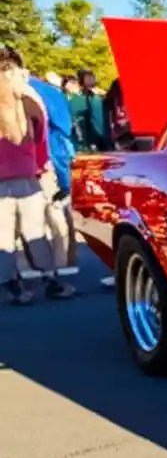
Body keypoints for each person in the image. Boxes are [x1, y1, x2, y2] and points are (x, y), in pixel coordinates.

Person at [1, 47, 75, 305]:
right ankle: (51, 281)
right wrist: (40, 163)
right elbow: (42, 136)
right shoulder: (27, 98)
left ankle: (13, 287)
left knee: (4, 238)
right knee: (35, 232)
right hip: (27, 175)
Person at [67, 69, 110, 152]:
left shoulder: (72, 101)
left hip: (78, 147)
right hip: (96, 148)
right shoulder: (98, 100)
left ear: (79, 82)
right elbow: (99, 127)